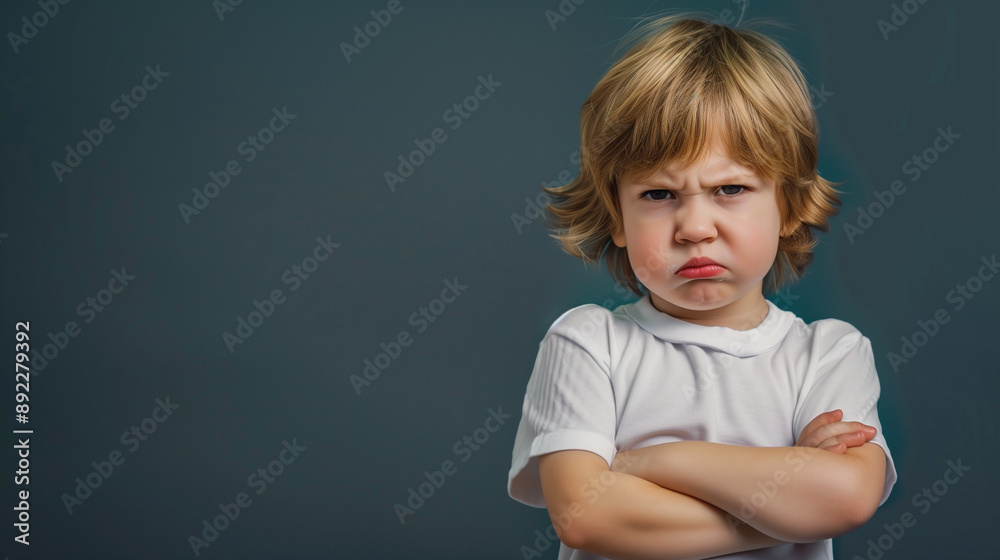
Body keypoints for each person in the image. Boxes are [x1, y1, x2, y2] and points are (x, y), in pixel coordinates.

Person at [506, 12, 898, 560]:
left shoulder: (829, 355)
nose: (694, 228)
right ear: (616, 217)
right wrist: (785, 501)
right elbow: (585, 516)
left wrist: (653, 462)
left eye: (730, 188)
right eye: (658, 195)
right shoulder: (587, 344)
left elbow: (847, 498)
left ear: (787, 205)